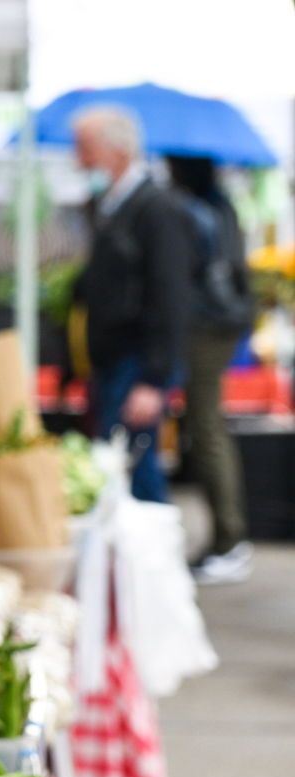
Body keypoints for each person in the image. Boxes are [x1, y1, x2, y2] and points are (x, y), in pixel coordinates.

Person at [73, 107, 193, 502]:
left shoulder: (157, 210)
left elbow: (171, 297)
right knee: (117, 467)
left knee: (137, 470)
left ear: (118, 152)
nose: (80, 160)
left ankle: (156, 560)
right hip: (110, 360)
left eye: (86, 149)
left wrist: (154, 380)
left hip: (137, 361)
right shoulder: (107, 207)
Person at [167, 155, 254, 583]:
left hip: (207, 324)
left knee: (206, 428)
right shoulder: (220, 205)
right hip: (220, 322)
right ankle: (227, 537)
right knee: (204, 426)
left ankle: (229, 539)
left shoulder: (197, 210)